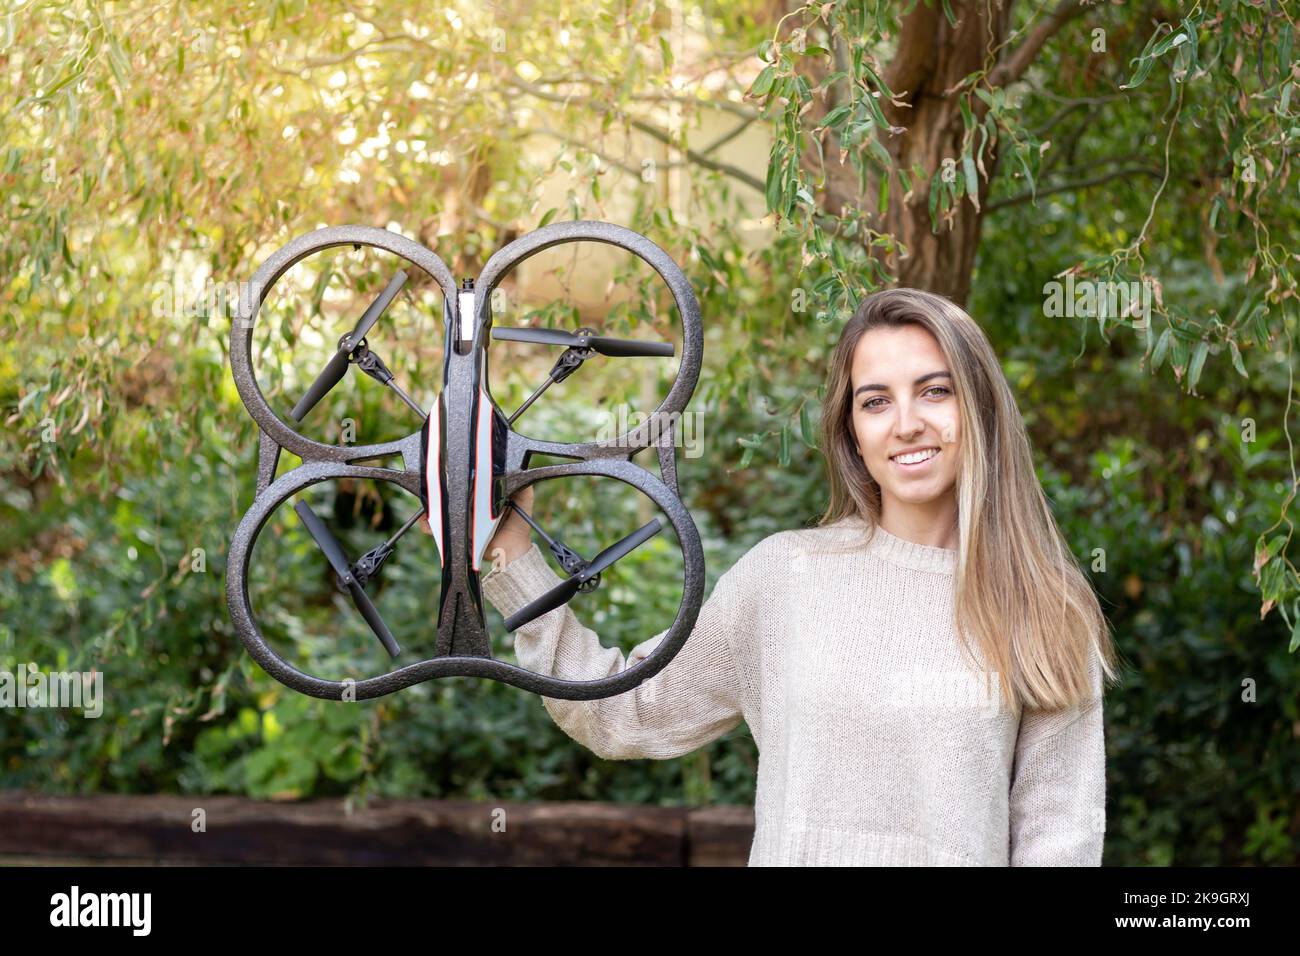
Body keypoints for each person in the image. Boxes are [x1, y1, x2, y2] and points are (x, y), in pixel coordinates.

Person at [468, 287, 1118, 866]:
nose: (907, 422)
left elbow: (1058, 839)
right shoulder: (787, 577)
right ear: (852, 433)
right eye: (875, 402)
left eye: (935, 390)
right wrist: (517, 559)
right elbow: (624, 714)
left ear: (978, 408)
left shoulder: (1045, 605)